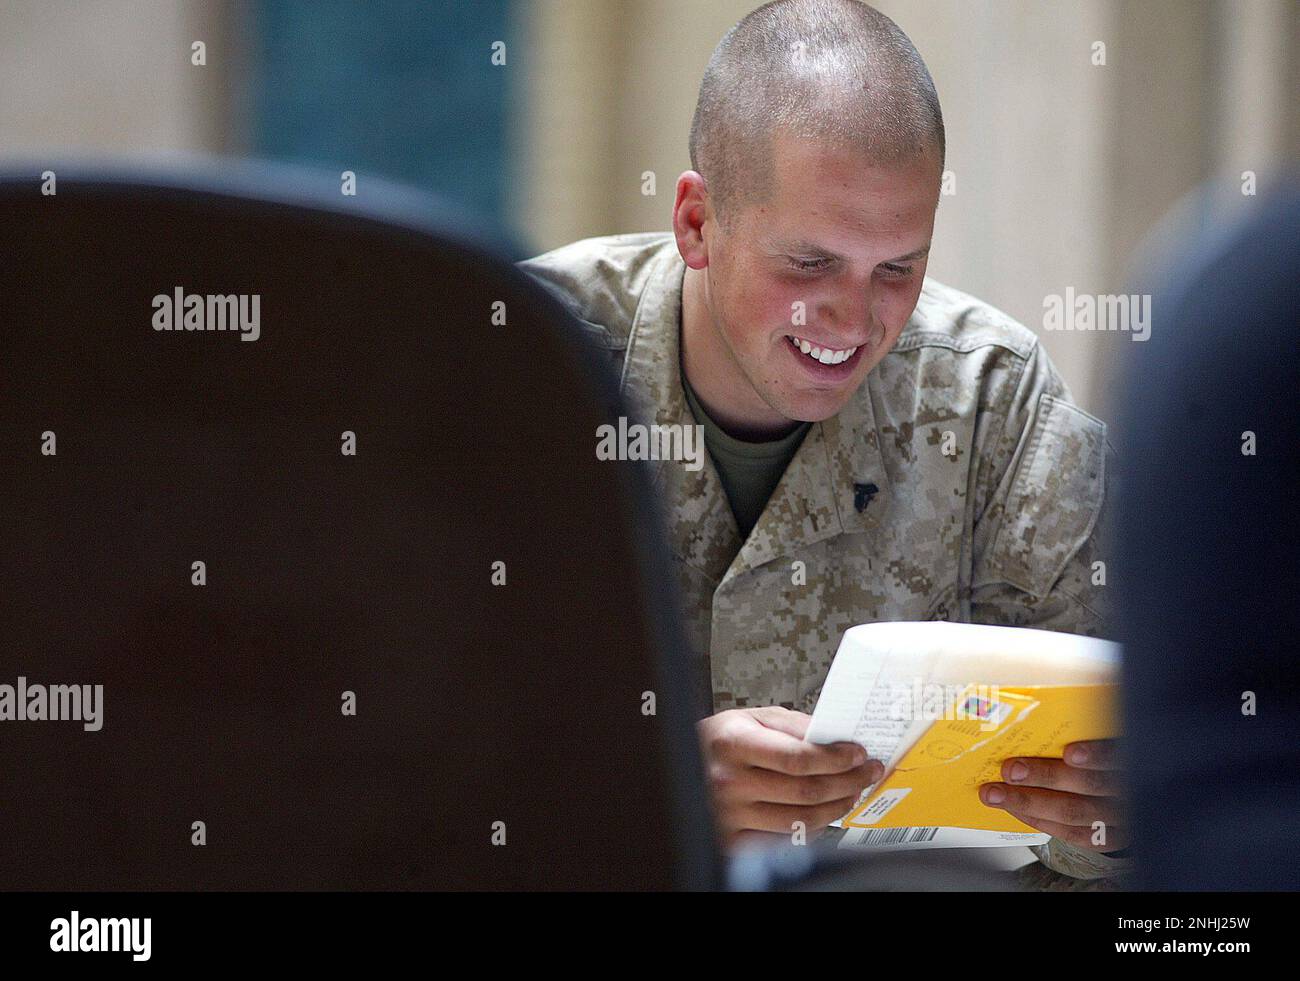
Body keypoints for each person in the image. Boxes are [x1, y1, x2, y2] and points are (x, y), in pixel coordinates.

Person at [520, 0, 1125, 881]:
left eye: (898, 269)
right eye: (808, 264)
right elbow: (375, 764)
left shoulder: (993, 404)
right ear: (697, 224)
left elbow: (1171, 798)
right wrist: (647, 793)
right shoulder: (527, 366)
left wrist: (1114, 816)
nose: (852, 318)